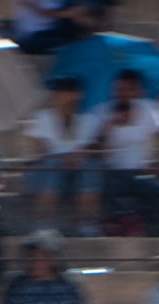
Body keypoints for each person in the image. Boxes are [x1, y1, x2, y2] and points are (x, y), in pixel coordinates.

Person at [89, 69, 159, 236]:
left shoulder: (152, 109)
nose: (122, 94)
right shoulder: (102, 112)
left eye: (128, 90)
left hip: (143, 172)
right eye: (119, 90)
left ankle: (156, 231)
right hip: (112, 173)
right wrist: (106, 130)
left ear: (138, 92)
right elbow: (92, 149)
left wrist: (158, 159)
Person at [25, 76, 102, 233]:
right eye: (62, 93)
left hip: (78, 172)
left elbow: (95, 149)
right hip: (49, 171)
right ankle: (43, 223)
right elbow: (41, 150)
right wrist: (64, 157)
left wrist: (79, 154)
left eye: (69, 93)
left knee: (91, 166)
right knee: (51, 165)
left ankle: (86, 223)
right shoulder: (42, 118)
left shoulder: (90, 120)